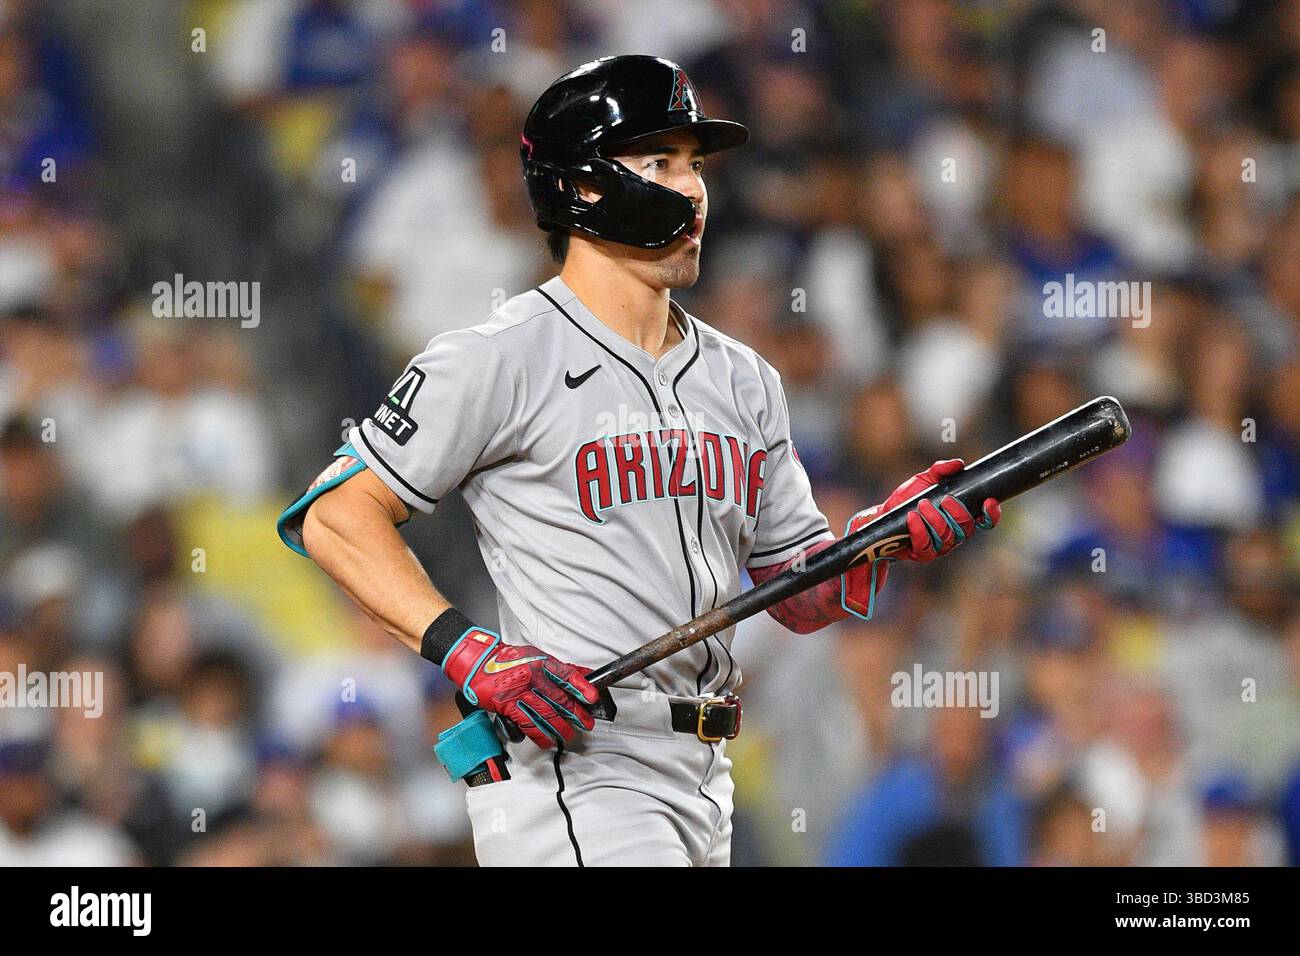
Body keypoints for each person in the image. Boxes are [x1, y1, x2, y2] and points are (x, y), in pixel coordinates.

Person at [276, 55, 1001, 867]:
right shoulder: (499, 358)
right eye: (660, 162)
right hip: (575, 763)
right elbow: (334, 515)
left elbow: (797, 594)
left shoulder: (744, 378)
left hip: (704, 769)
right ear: (581, 188)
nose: (693, 189)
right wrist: (468, 650)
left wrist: (885, 538)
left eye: (696, 165)